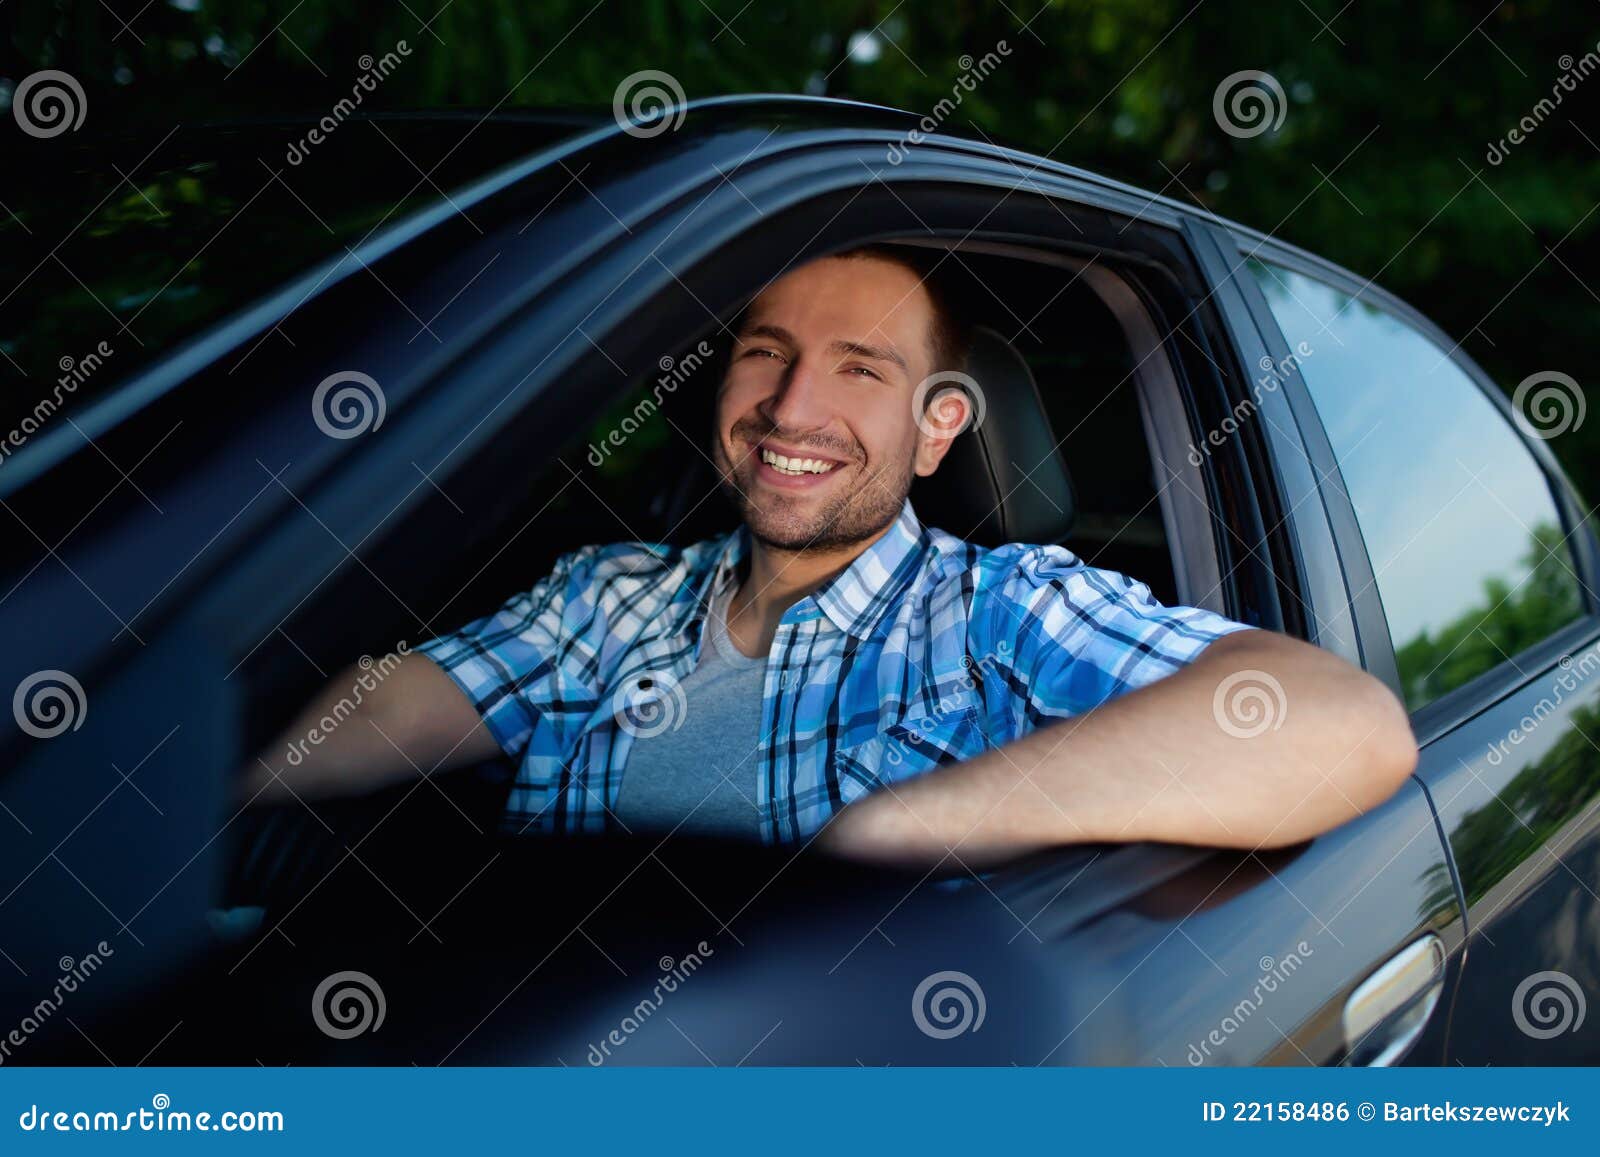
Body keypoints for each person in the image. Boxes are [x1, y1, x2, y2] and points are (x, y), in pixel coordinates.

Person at [241, 246, 1417, 869]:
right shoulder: (607, 592)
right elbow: (397, 712)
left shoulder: (998, 610)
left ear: (937, 426)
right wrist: (193, 781)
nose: (791, 405)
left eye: (860, 367)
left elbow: (1340, 724)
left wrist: (894, 829)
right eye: (765, 353)